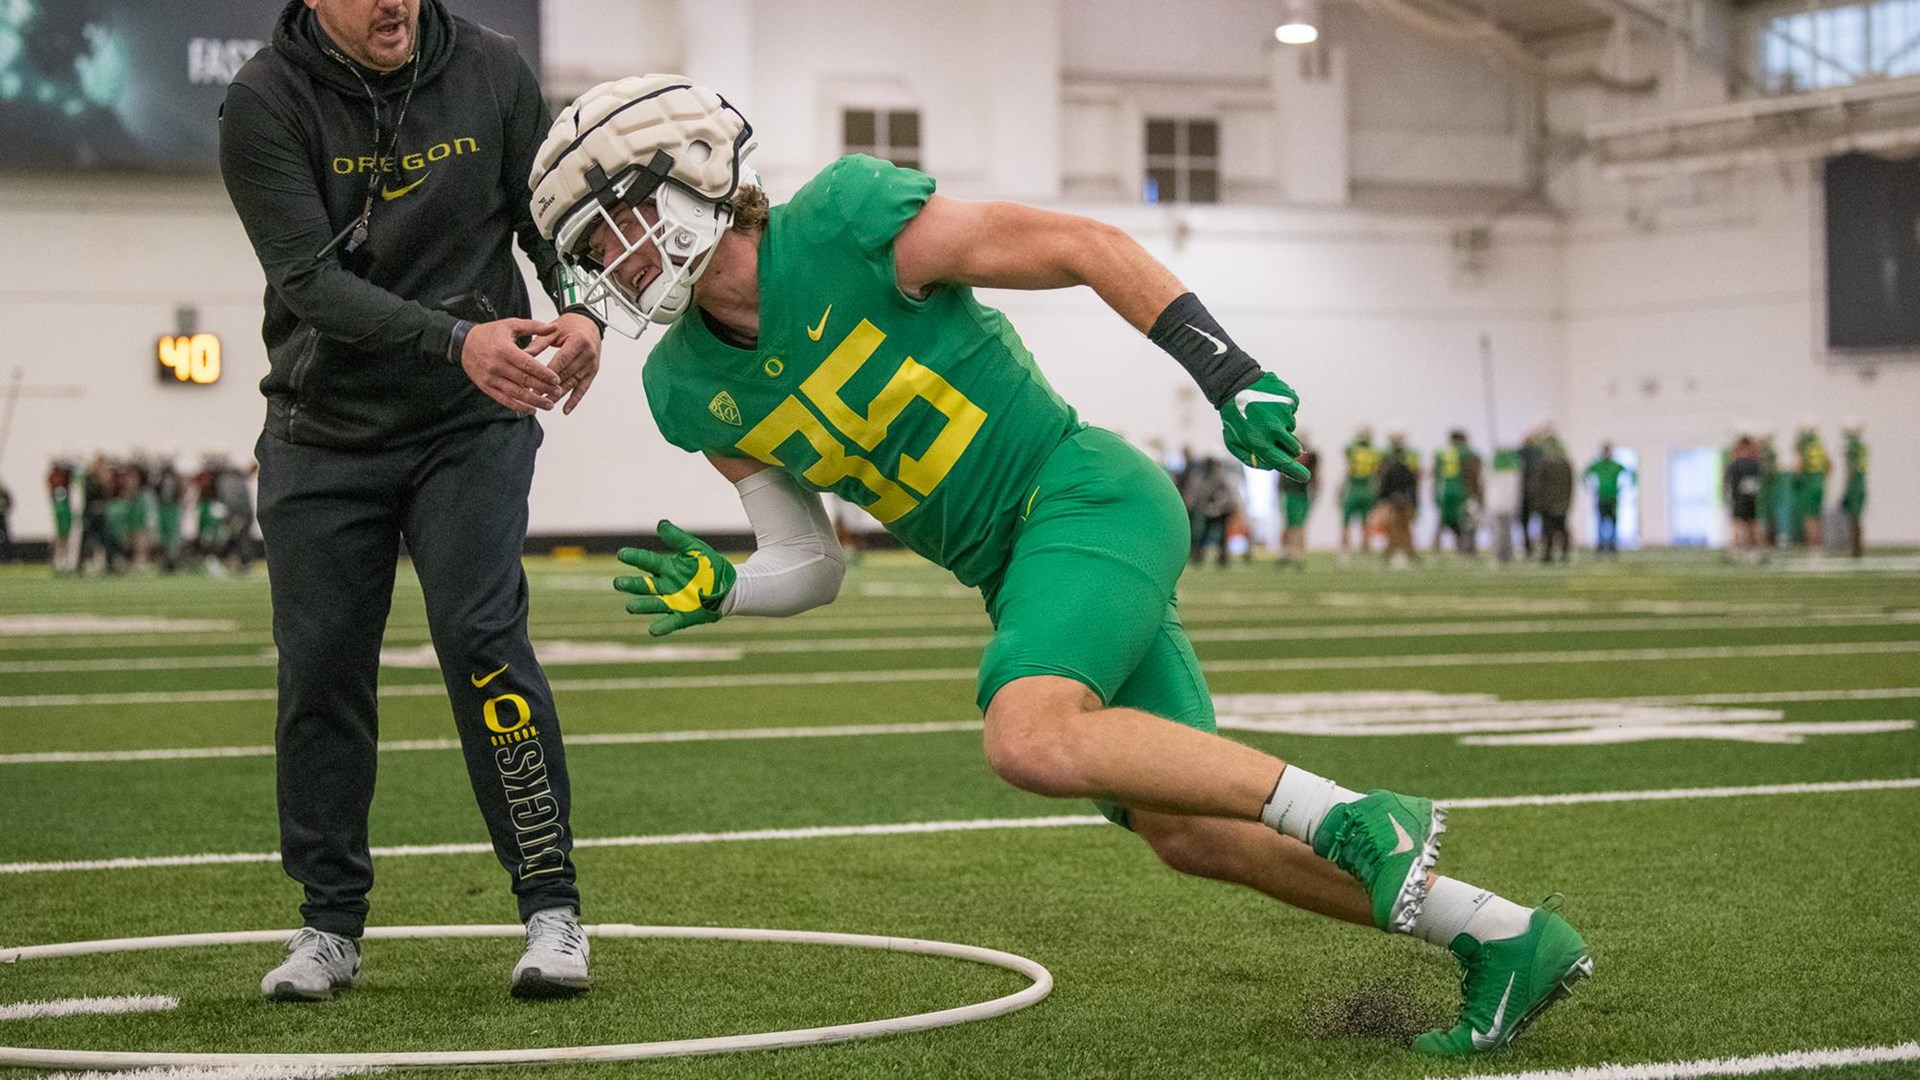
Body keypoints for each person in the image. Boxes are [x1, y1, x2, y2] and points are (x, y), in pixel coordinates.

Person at [533, 73, 1589, 1057]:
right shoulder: (686, 392)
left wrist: (1232, 375)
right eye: (591, 249)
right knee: (1189, 833)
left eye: (613, 227)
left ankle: (1364, 817)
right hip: (1023, 568)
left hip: (1082, 494)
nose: (612, 264)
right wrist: (731, 589)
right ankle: (1500, 936)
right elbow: (810, 562)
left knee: (1029, 734)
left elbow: (1081, 243)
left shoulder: (852, 221)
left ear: (692, 174)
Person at [220, 0, 601, 1001]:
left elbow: (548, 220)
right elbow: (309, 282)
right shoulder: (262, 100)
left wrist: (577, 306)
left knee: (483, 640)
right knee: (322, 670)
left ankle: (552, 907)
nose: (395, 2)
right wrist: (453, 339)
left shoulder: (496, 68)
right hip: (322, 433)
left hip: (469, 425)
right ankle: (329, 925)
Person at [1181, 455, 1239, 568]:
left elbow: (1228, 494)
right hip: (1207, 509)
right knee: (1203, 533)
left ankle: (1221, 558)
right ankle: (1199, 556)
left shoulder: (1220, 477)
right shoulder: (1201, 477)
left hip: (1220, 510)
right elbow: (1196, 493)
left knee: (1220, 536)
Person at [1583, 441, 1634, 557]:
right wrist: (1589, 487)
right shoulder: (1598, 465)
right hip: (1601, 498)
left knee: (1613, 524)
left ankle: (1612, 546)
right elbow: (1585, 474)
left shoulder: (1615, 465)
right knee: (1600, 523)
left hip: (1613, 499)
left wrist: (1624, 488)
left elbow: (1631, 474)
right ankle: (1601, 546)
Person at [1376, 433, 1419, 568]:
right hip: (1404, 501)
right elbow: (1413, 485)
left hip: (1395, 501)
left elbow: (1384, 485)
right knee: (1402, 528)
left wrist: (1382, 499)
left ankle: (1397, 553)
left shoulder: (1390, 469)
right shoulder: (1407, 469)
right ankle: (1403, 552)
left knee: (1395, 528)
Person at [1337, 425, 1381, 560]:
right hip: (1367, 487)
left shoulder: (1352, 448)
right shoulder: (1375, 451)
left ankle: (1345, 551)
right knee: (1365, 522)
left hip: (1354, 487)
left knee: (1346, 521)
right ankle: (1365, 549)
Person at [1431, 430, 1477, 556]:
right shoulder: (1467, 453)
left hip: (1444, 489)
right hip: (1460, 490)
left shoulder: (1442, 453)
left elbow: (1436, 474)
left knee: (1443, 519)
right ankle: (1463, 547)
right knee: (1463, 520)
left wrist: (1434, 493)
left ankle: (1436, 545)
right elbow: (1471, 473)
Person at [1530, 435, 1574, 564]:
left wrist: (1538, 502)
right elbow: (1570, 485)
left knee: (1549, 529)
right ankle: (1563, 553)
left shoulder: (1544, 464)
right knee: (1561, 528)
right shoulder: (1565, 463)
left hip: (1548, 502)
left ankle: (1549, 553)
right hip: (1560, 501)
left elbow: (1538, 485)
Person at [1278, 433, 1318, 569]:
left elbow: (1314, 477)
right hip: (1291, 493)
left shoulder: (1310, 457)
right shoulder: (1286, 454)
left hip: (1300, 493)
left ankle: (1297, 554)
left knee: (1298, 526)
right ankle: (1289, 553)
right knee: (1291, 526)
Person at [1724, 435, 1763, 564]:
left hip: (1739, 499)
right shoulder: (1755, 464)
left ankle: (1737, 550)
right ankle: (1756, 550)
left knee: (1738, 524)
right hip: (1753, 499)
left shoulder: (1735, 465)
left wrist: (1727, 496)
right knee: (1753, 525)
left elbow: (1726, 482)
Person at [1793, 423, 1829, 552]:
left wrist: (1797, 480)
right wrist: (1820, 478)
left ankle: (1812, 544)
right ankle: (1819, 542)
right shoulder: (1819, 443)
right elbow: (1829, 464)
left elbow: (1798, 465)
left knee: (1809, 517)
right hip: (1819, 484)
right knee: (1817, 515)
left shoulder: (1803, 443)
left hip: (1808, 484)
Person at [1840, 421, 1867, 558]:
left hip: (1855, 485)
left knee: (1854, 517)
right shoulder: (1862, 445)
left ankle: (1855, 548)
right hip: (1861, 483)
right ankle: (1857, 547)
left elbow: (1852, 468)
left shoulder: (1852, 446)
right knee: (1857, 517)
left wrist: (1847, 487)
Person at [45, 459, 75, 573]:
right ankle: (57, 558)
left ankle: (65, 558)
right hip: (59, 508)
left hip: (65, 508)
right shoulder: (53, 476)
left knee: (65, 534)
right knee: (59, 534)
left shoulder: (66, 475)